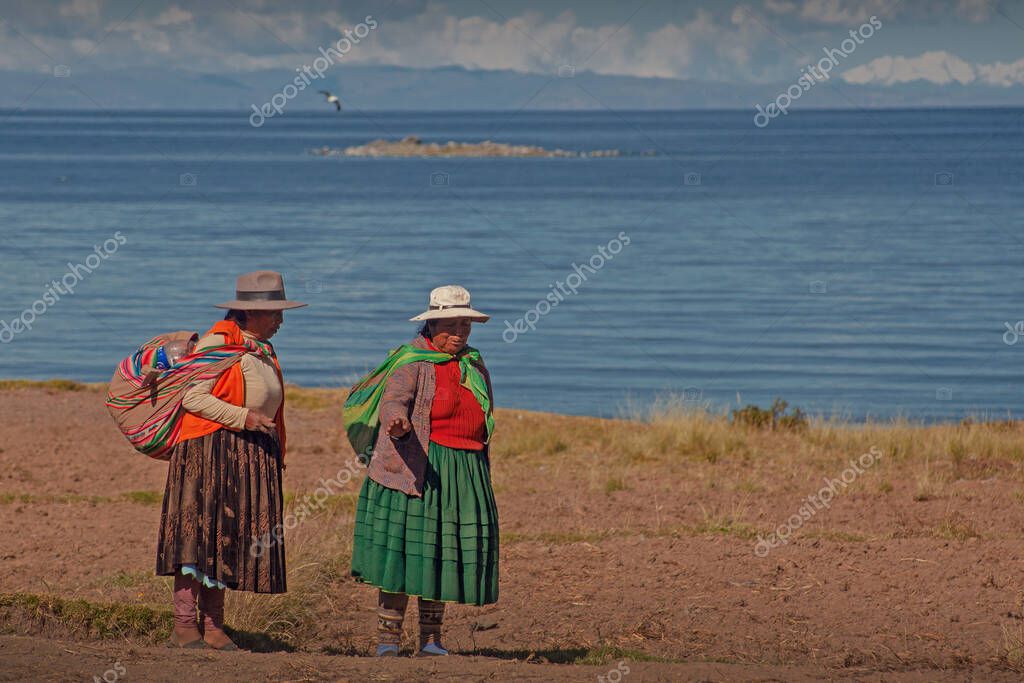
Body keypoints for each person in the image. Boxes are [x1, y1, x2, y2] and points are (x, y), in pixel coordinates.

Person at [156, 270, 306, 649]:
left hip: (246, 452)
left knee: (228, 538)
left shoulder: (258, 348)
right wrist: (244, 418)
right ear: (250, 313)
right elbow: (191, 396)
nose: (281, 320)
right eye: (274, 313)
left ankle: (215, 626)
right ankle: (185, 625)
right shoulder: (218, 344)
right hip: (209, 452)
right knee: (198, 537)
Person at [350, 285, 499, 657]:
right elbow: (394, 400)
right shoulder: (412, 362)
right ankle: (388, 641)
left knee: (439, 553)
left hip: (463, 470)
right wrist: (397, 421)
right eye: (451, 324)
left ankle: (431, 640)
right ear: (431, 325)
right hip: (415, 469)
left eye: (465, 324)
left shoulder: (474, 364)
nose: (460, 332)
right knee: (401, 553)